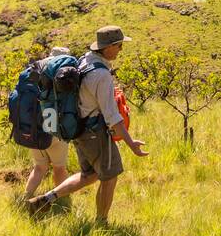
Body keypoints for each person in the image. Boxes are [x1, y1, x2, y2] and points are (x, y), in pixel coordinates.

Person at [27, 26, 149, 224]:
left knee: (88, 175)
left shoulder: (85, 60)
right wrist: (130, 143)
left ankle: (44, 200)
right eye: (119, 46)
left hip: (79, 129)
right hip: (96, 133)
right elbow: (112, 115)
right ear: (108, 47)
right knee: (110, 177)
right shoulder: (102, 75)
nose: (120, 50)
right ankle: (101, 223)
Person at [23, 46, 73, 201]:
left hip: (34, 128)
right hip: (54, 127)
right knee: (59, 167)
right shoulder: (62, 74)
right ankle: (62, 199)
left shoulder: (36, 70)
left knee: (39, 167)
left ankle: (25, 199)